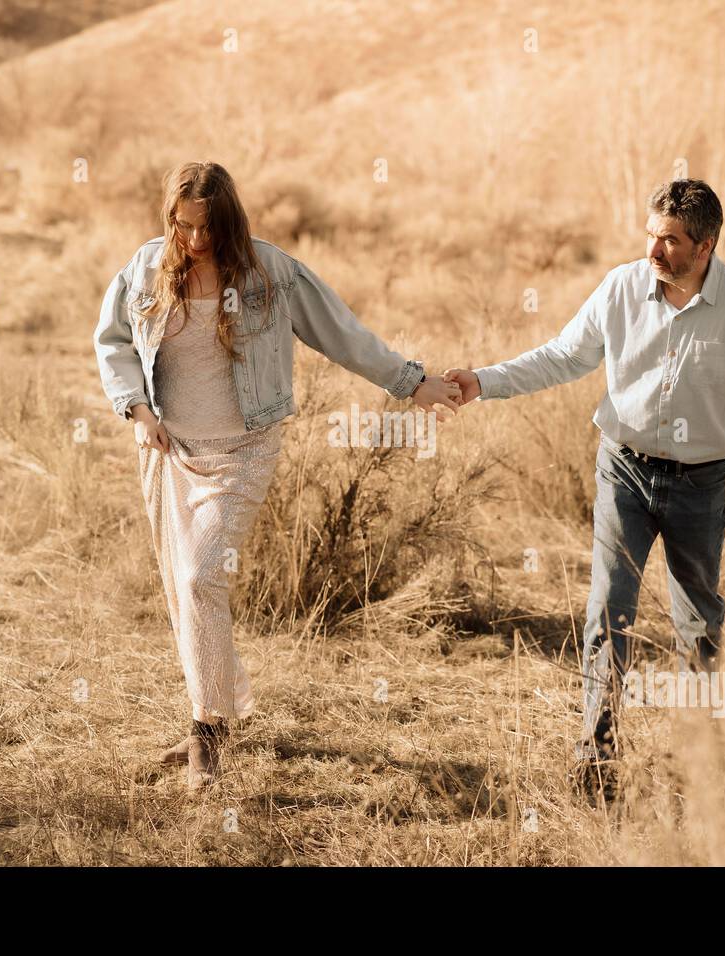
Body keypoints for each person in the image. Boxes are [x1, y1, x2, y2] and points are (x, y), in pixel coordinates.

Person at [443, 179, 725, 803]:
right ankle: (597, 757)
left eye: (671, 240)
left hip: (703, 484)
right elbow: (563, 356)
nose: (656, 249)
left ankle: (697, 763)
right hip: (625, 471)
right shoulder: (621, 288)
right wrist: (485, 381)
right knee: (607, 610)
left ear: (706, 246)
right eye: (651, 235)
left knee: (697, 623)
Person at [93, 161, 461, 790]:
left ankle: (206, 734)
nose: (193, 241)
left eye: (207, 229)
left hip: (243, 448)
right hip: (167, 448)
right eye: (181, 227)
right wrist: (136, 409)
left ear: (230, 221)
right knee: (185, 591)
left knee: (201, 572)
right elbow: (113, 340)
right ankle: (214, 711)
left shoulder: (271, 272)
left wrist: (411, 382)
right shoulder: (148, 266)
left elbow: (342, 334)